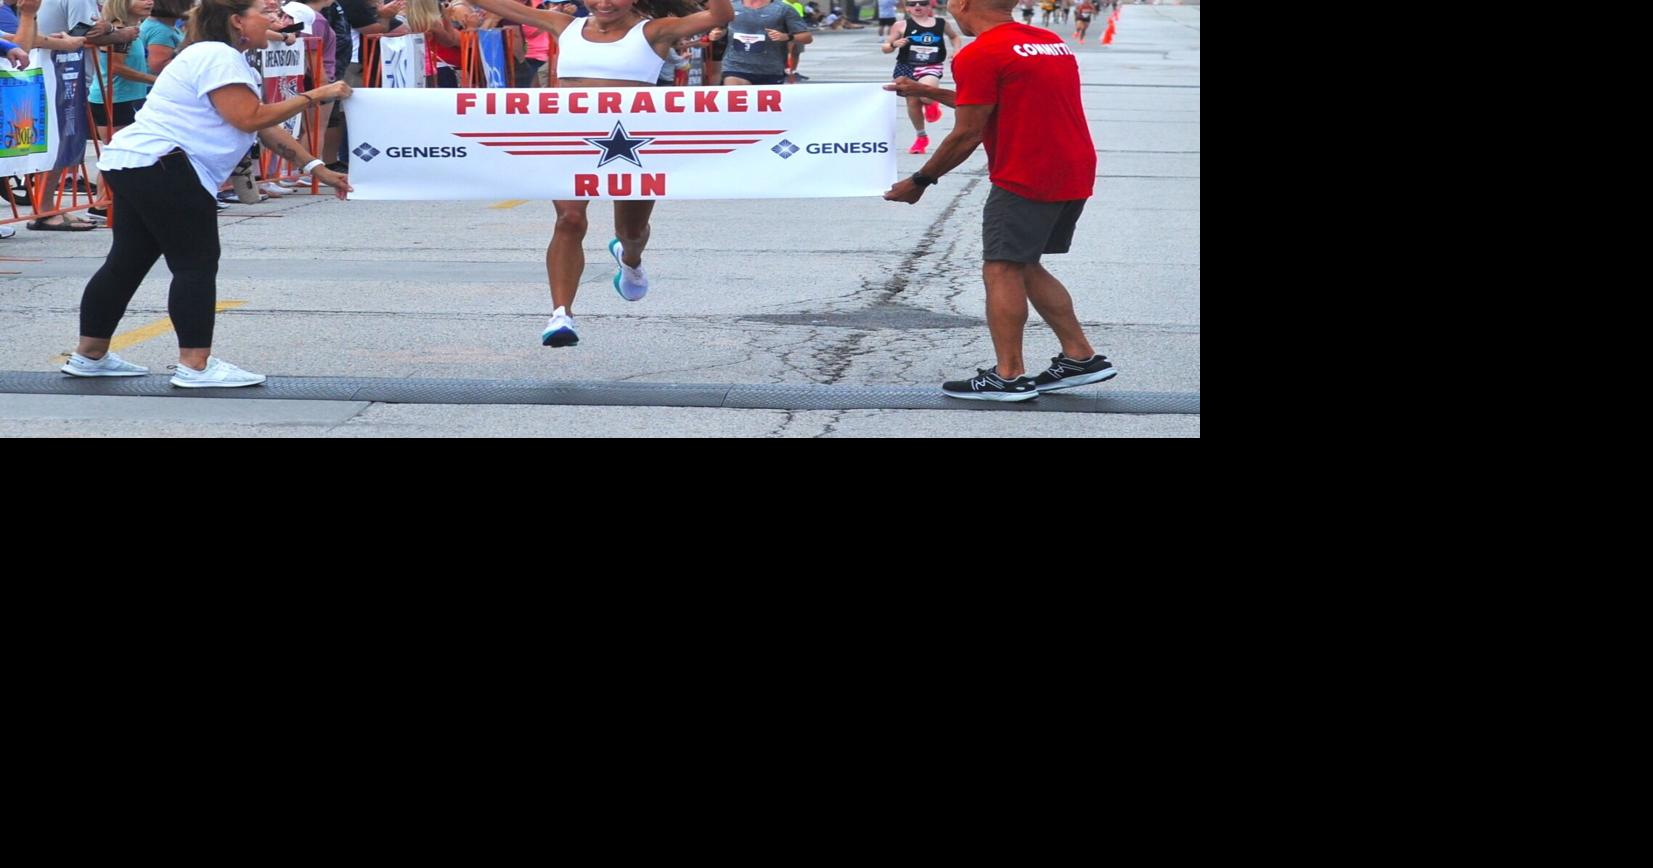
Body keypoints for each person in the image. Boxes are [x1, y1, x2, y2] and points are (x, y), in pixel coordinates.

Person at [64, 0, 352, 387]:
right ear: (237, 22)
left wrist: (314, 166)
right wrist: (315, 95)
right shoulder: (219, 56)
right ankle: (195, 365)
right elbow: (249, 118)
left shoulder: (212, 55)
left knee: (127, 261)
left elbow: (261, 123)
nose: (272, 21)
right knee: (195, 264)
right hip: (167, 164)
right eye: (262, 15)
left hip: (135, 161)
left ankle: (90, 355)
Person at [466, 0, 734, 347]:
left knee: (631, 230)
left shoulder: (655, 31)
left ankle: (630, 258)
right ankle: (561, 315)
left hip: (633, 143)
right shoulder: (564, 25)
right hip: (572, 141)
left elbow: (720, 17)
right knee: (569, 220)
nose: (604, 3)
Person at [884, 0, 1114, 402]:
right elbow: (995, 97)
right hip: (1072, 166)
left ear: (964, 4)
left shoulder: (980, 52)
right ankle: (1080, 357)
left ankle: (1008, 375)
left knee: (1002, 268)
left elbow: (967, 132)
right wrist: (926, 91)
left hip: (1026, 172)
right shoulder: (1048, 42)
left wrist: (922, 179)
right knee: (1024, 263)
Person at [880, 0, 957, 154]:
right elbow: (885, 48)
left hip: (930, 65)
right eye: (912, 3)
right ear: (907, 8)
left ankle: (931, 102)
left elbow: (954, 37)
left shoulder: (941, 23)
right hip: (906, 66)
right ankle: (921, 137)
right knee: (913, 102)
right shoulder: (900, 25)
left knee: (926, 96)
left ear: (930, 6)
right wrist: (894, 45)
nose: (917, 6)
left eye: (922, 3)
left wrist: (957, 51)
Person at [706, 0, 805, 87]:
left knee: (761, 107)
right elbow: (721, 27)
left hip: (770, 70)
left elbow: (806, 37)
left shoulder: (783, 9)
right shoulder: (731, 6)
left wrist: (787, 37)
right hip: (735, 67)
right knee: (738, 99)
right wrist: (717, 33)